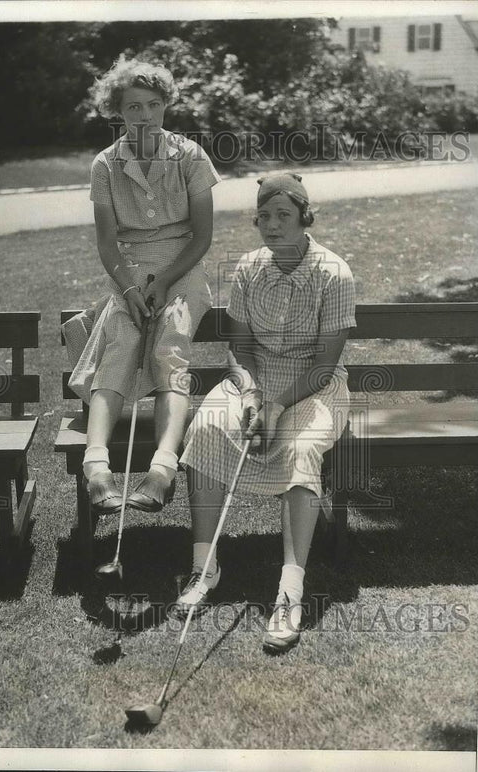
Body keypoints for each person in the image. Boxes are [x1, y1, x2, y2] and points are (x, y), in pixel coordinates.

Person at [176, 172, 357, 653]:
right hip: (256, 382)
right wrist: (252, 394)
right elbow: (239, 347)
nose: (272, 226)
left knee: (300, 450)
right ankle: (204, 567)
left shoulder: (333, 272)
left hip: (313, 388)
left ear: (303, 217)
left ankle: (289, 594)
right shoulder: (249, 268)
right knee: (209, 424)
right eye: (264, 216)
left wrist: (277, 407)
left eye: (283, 216)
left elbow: (324, 366)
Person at [65, 57, 221, 514]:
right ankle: (97, 468)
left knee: (167, 347)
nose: (145, 116)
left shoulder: (190, 156)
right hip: (129, 272)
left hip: (182, 269)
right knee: (121, 340)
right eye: (133, 106)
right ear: (118, 110)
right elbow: (108, 244)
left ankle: (163, 469)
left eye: (154, 105)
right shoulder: (105, 165)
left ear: (166, 105)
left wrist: (166, 281)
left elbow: (203, 236)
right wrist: (131, 290)